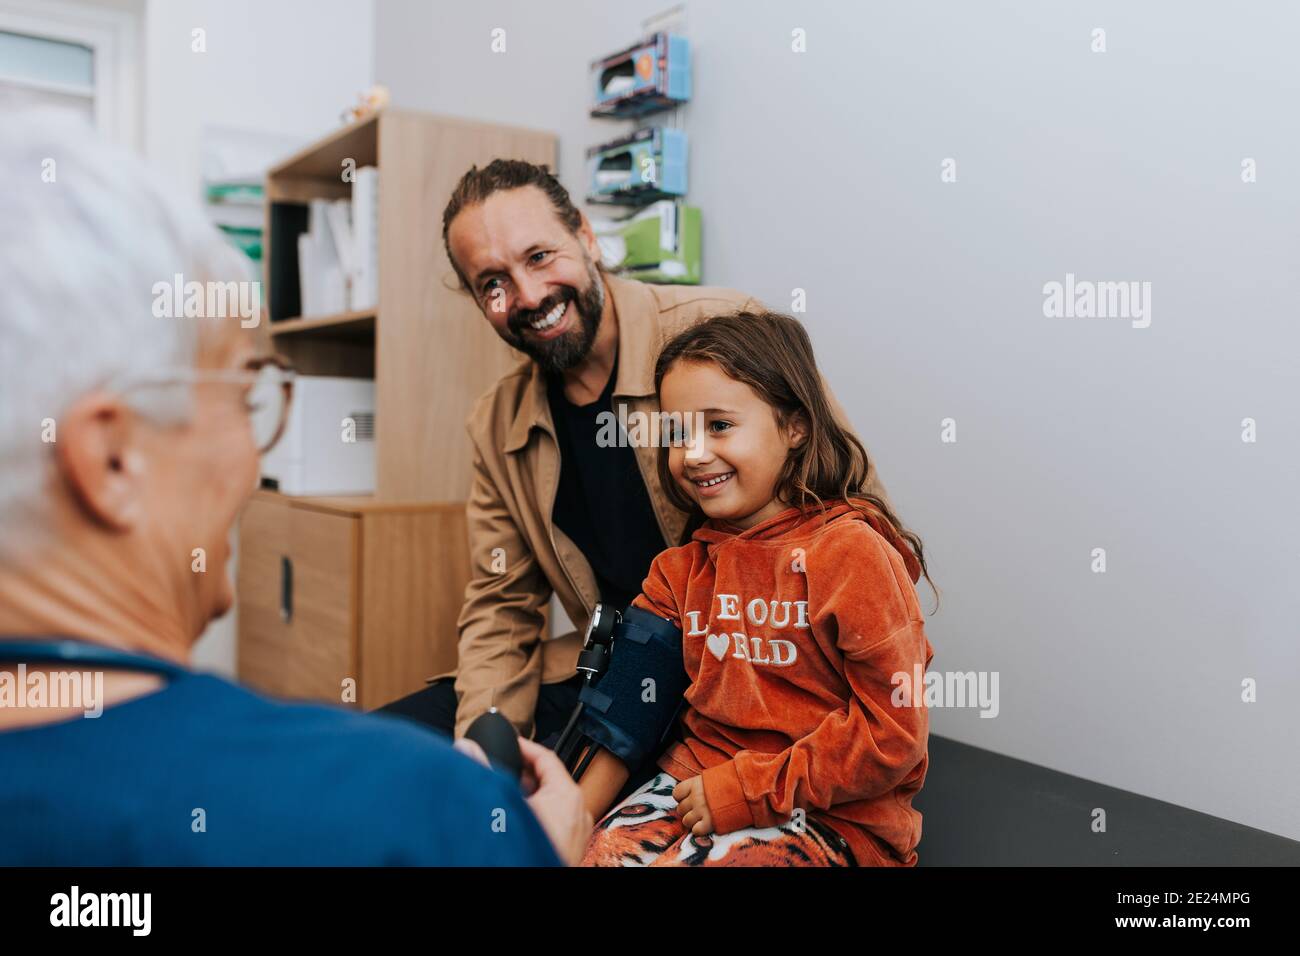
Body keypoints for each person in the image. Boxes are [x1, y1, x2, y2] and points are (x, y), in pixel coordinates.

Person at [0, 111, 589, 866]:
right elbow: (502, 605)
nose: (257, 451)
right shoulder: (422, 814)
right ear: (112, 461)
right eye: (244, 395)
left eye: (540, 255)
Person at [380, 160, 896, 811]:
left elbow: (853, 506)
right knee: (385, 762)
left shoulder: (719, 330)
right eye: (493, 283)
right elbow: (501, 603)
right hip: (615, 677)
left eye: (540, 256)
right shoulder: (495, 422)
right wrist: (488, 745)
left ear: (587, 237)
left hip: (745, 687)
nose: (530, 294)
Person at [579, 310, 936, 866]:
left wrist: (747, 790)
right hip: (695, 786)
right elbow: (628, 708)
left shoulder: (851, 556)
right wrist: (568, 818)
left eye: (719, 425)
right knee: (595, 854)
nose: (694, 454)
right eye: (678, 433)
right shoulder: (678, 572)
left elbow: (893, 735)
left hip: (834, 816)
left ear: (794, 427)